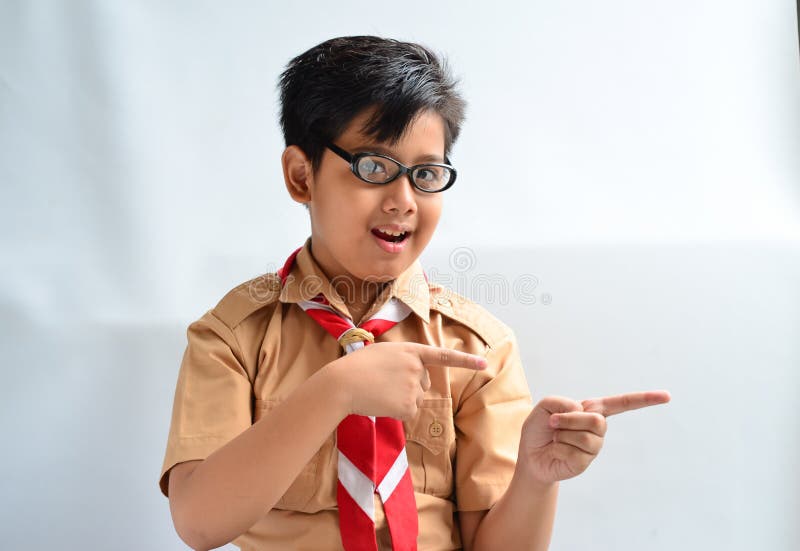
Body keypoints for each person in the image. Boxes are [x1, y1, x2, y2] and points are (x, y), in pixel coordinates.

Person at [159, 35, 670, 551]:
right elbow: (200, 525)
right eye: (374, 168)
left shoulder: (478, 350)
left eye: (425, 174)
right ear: (301, 175)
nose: (403, 201)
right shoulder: (233, 336)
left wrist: (536, 480)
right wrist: (336, 390)